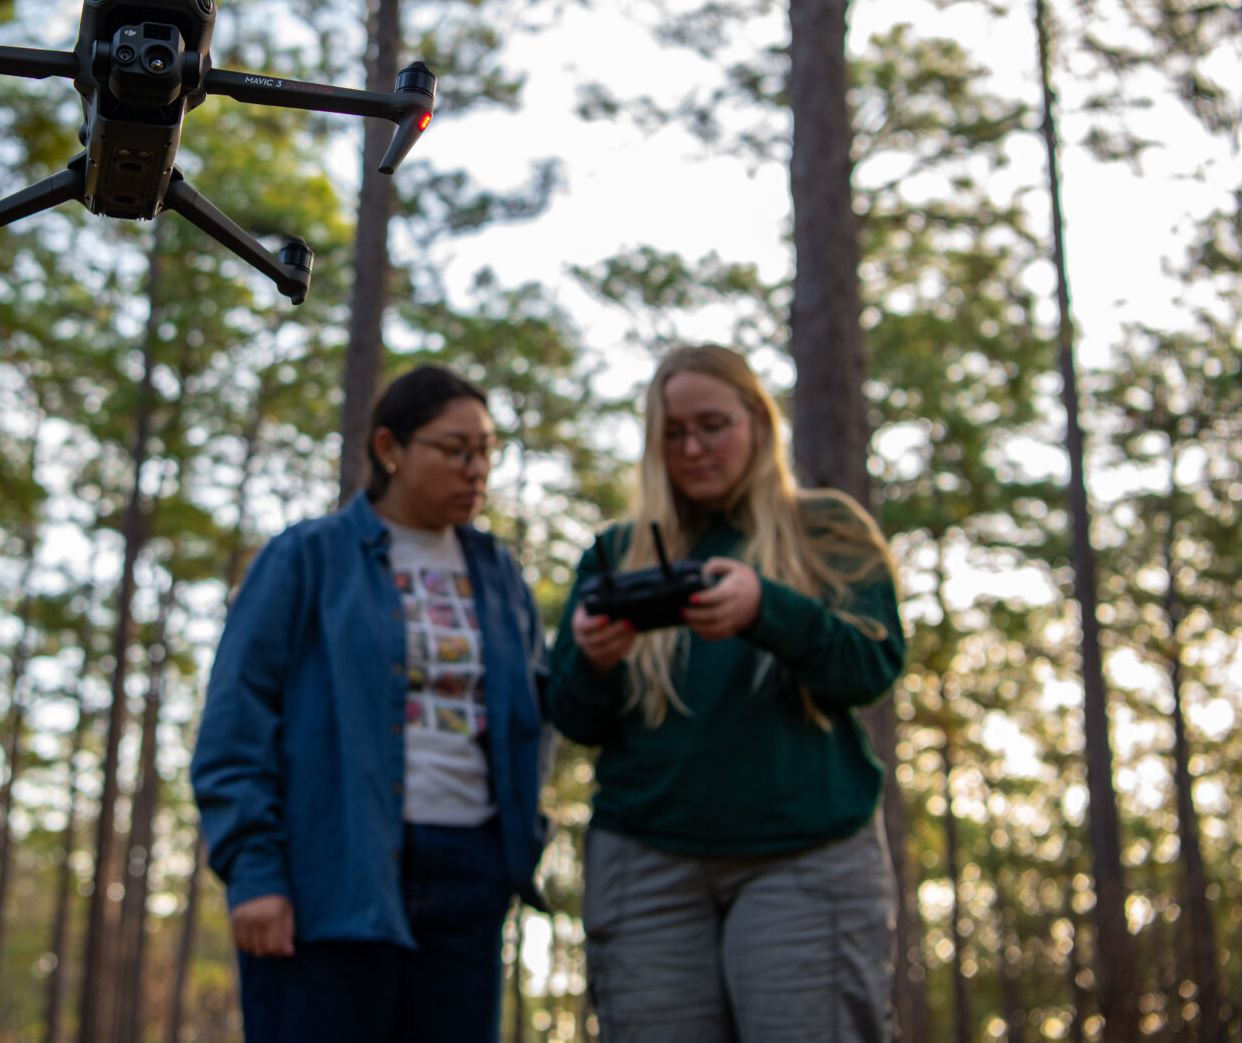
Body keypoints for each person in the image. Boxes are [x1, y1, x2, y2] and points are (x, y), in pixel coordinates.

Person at [550, 343, 904, 1043]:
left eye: (713, 424)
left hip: (807, 854)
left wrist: (769, 610)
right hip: (646, 859)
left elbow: (871, 667)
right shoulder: (615, 552)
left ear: (758, 420)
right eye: (673, 432)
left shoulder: (827, 529)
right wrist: (593, 661)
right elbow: (573, 715)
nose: (693, 447)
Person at [192, 365, 549, 1043]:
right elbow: (236, 722)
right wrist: (254, 868)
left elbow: (533, 715)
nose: (477, 469)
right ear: (390, 448)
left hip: (470, 877)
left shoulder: (499, 574)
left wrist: (517, 847)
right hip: (329, 874)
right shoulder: (305, 557)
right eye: (455, 448)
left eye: (487, 451)